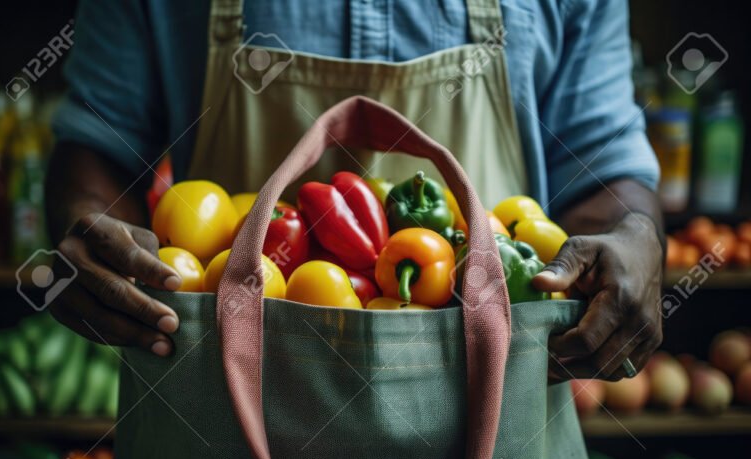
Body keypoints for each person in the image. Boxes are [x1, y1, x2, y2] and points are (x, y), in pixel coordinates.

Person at [46, 0, 663, 382]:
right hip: (220, 395)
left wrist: (632, 234)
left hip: (498, 395)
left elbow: (604, 161)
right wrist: (89, 223)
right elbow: (97, 142)